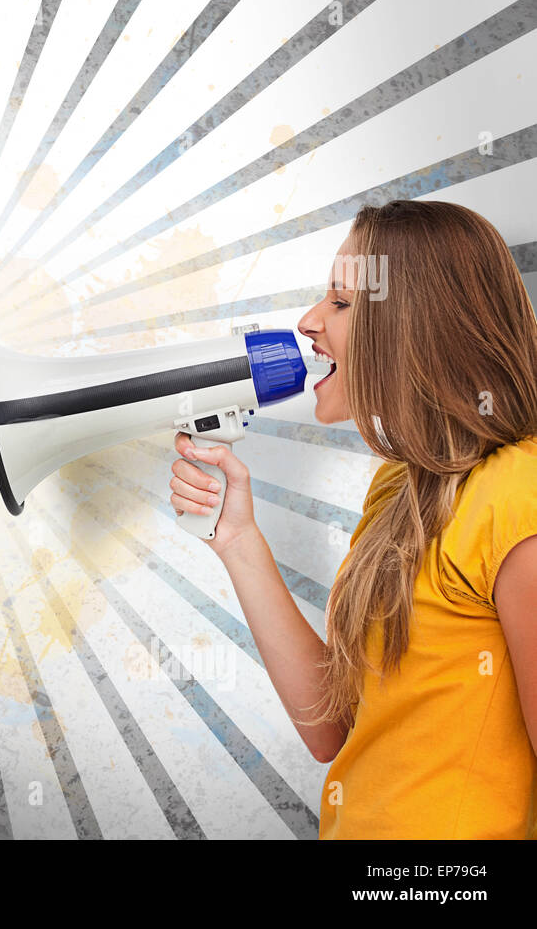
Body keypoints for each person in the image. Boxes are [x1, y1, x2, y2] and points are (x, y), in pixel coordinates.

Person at [168, 200, 537, 838]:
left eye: (341, 304)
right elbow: (331, 728)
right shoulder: (401, 485)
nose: (309, 323)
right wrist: (238, 540)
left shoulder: (518, 493)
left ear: (413, 324)